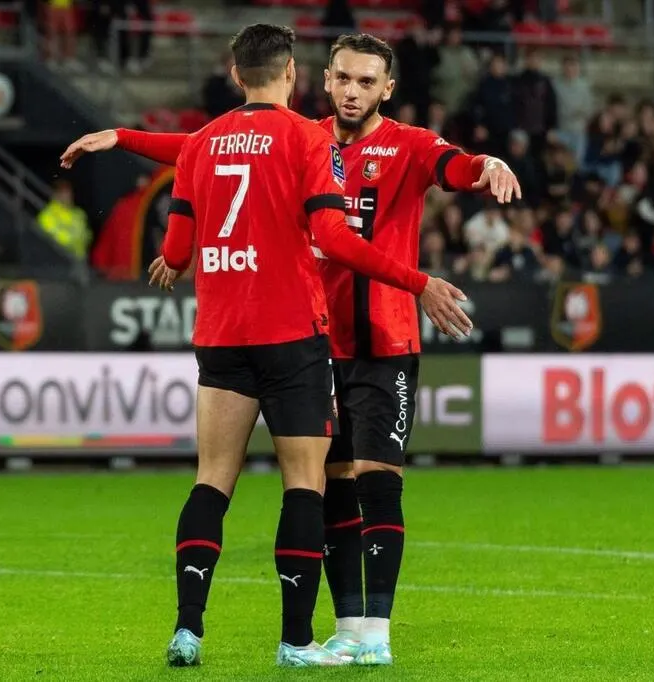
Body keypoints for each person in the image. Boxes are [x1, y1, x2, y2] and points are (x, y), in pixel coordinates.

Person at [61, 31, 520, 667]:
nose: (353, 90)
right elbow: (199, 152)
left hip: (384, 337)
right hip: (316, 337)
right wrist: (128, 138)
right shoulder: (306, 137)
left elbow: (454, 165)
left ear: (387, 89)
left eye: (367, 82)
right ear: (321, 80)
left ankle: (375, 635)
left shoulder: (408, 144)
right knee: (328, 487)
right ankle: (343, 628)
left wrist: (485, 166)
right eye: (344, 79)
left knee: (378, 482)